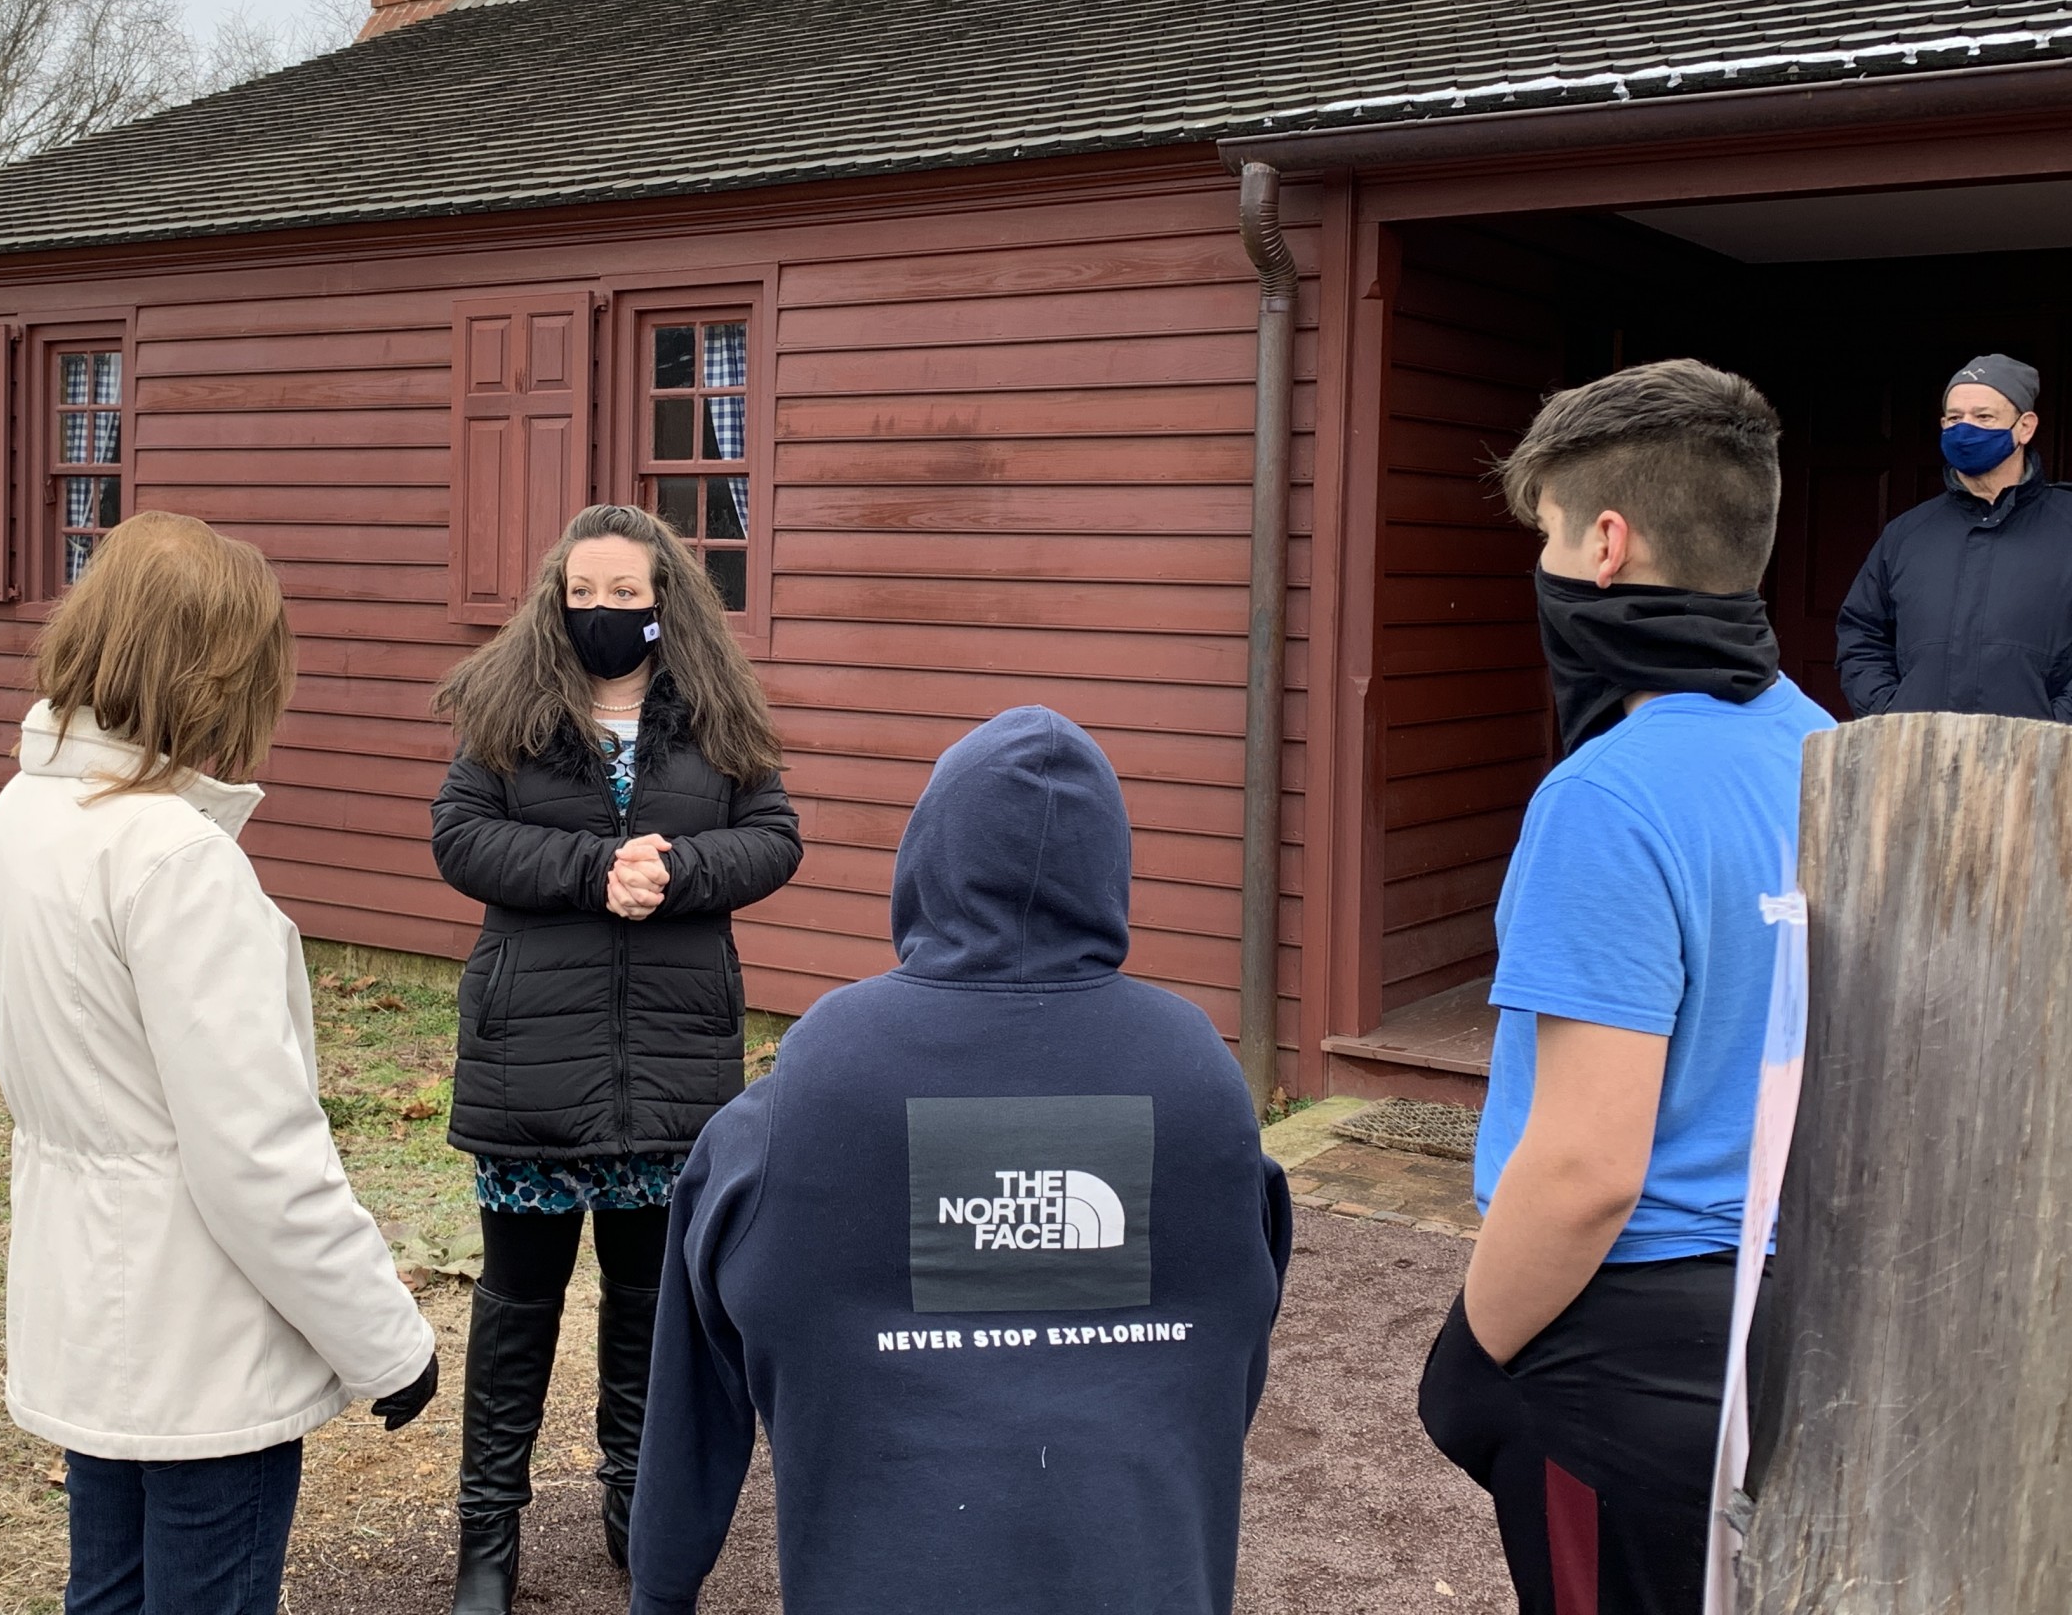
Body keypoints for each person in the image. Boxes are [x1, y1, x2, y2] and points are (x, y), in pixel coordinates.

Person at [626, 706, 1292, 1615]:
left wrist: (662, 1587)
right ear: (1110, 866)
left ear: (928, 856)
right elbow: (1229, 1353)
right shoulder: (1198, 1078)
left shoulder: (821, 1081)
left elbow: (694, 1359)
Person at [0, 511, 438, 1615]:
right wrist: (385, 1341)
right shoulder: (175, 858)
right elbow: (256, 1154)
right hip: (201, 1335)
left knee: (110, 1594)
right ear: (216, 671)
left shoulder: (24, 816)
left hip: (84, 1302)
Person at [1416, 360, 1833, 1613]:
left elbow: (1591, 1165)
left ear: (1604, 544)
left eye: (1541, 532)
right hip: (1786, 1308)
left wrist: (1474, 1352)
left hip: (1621, 1340)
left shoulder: (1602, 797)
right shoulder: (1831, 747)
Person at [429, 503, 802, 1615]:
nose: (600, 613)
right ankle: (487, 1541)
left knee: (648, 1306)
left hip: (672, 1066)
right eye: (581, 595)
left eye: (623, 597)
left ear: (664, 603)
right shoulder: (505, 710)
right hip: (532, 1063)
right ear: (555, 599)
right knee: (517, 1310)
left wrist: (674, 871)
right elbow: (460, 835)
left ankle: (635, 1510)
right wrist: (595, 869)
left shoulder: (718, 717)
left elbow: (774, 833)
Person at [1837, 351, 2072, 719]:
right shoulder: (1907, 534)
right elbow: (1861, 637)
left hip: (2040, 767)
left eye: (1983, 417)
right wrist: (1892, 713)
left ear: (2025, 427)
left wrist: (2055, 728)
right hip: (1917, 762)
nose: (1965, 429)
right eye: (1954, 418)